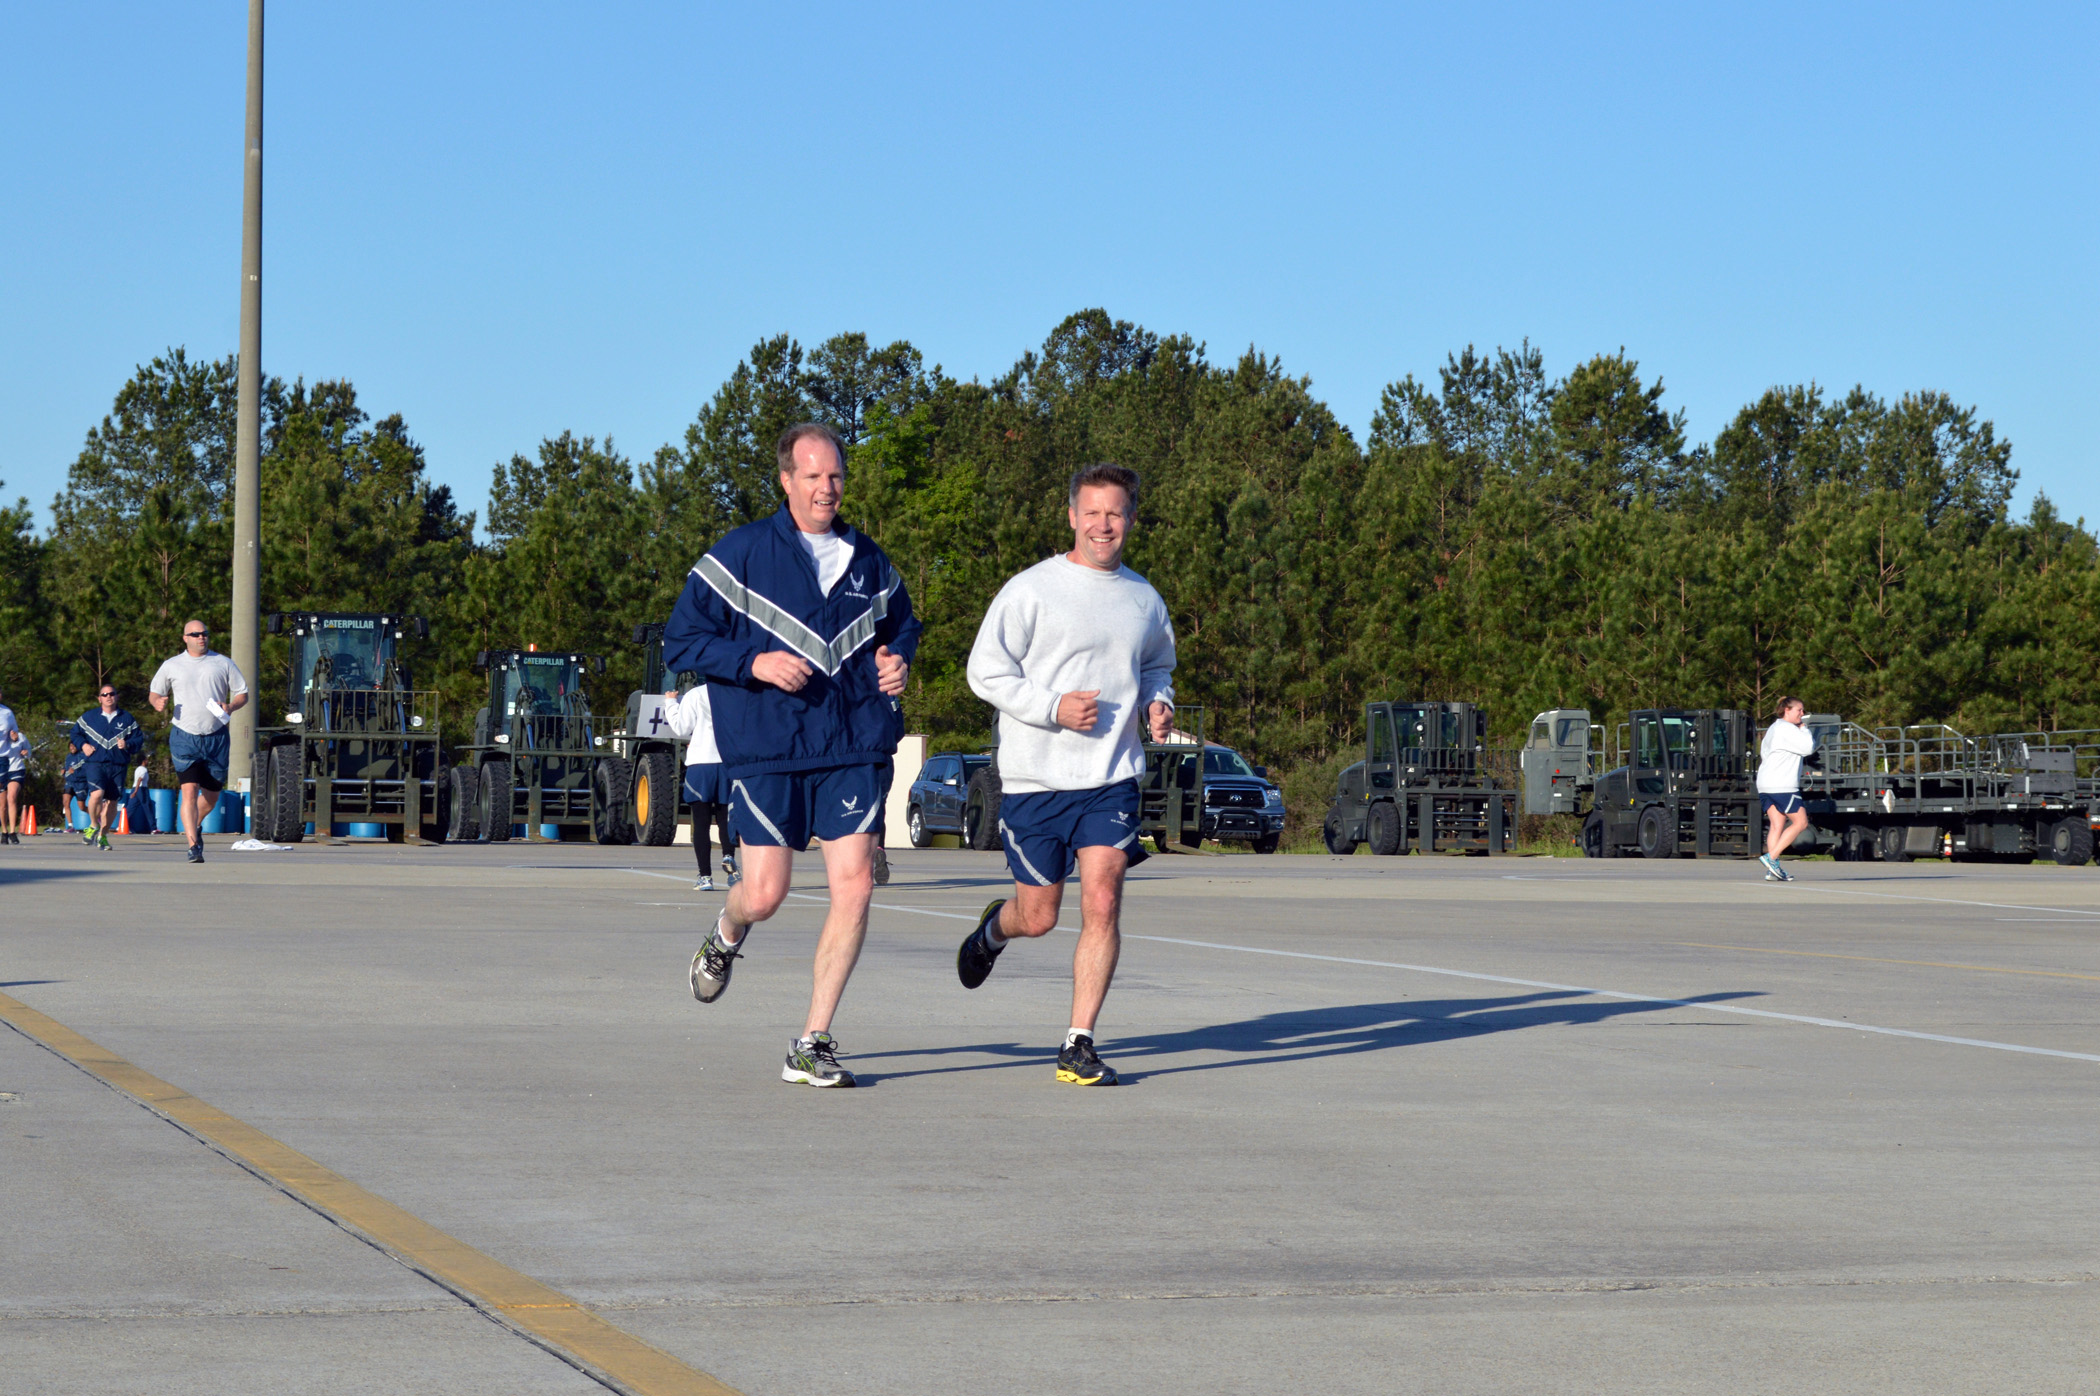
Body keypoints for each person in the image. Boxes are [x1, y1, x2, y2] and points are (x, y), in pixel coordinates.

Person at [666, 421, 920, 1088]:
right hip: (769, 749)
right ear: (786, 481)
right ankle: (725, 935)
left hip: (851, 745)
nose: (826, 488)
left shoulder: (870, 560)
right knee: (766, 893)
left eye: (834, 475)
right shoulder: (740, 555)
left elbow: (901, 626)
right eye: (812, 476)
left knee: (856, 885)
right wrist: (754, 661)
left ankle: (812, 1040)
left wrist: (897, 662)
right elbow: (682, 642)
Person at [956, 462, 1177, 1087]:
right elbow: (985, 673)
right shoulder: (1031, 589)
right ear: (1072, 516)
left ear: (1130, 519)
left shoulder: (1143, 598)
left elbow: (1159, 663)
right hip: (1035, 780)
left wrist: (1157, 700)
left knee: (1103, 899)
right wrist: (1053, 708)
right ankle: (994, 932)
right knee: (1042, 915)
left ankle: (1077, 1043)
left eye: (1116, 513)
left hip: (1111, 777)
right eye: (1093, 512)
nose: (1104, 525)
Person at [148, 619, 249, 864]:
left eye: (204, 633)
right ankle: (193, 845)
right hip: (184, 736)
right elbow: (154, 692)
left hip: (216, 736)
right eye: (195, 634)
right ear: (185, 638)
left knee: (213, 795)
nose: (201, 637)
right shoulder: (172, 665)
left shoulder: (223, 662)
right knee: (189, 791)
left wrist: (231, 705)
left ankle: (196, 824)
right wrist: (157, 702)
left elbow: (242, 693)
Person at [660, 680, 737, 891]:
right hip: (727, 763)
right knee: (726, 819)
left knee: (701, 824)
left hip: (700, 764)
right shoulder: (734, 692)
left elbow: (680, 727)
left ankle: (705, 877)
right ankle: (730, 861)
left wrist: (671, 703)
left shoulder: (695, 694)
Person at [74, 683, 143, 850]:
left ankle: (103, 836)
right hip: (95, 763)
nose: (108, 696)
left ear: (117, 696)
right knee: (97, 794)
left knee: (112, 801)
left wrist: (127, 744)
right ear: (99, 699)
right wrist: (83, 745)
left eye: (111, 693)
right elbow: (75, 733)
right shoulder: (90, 717)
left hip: (118, 764)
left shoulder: (126, 718)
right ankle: (93, 824)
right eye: (104, 694)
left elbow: (139, 740)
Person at [1757, 696, 1816, 882]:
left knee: (1777, 824)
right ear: (1786, 710)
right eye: (1799, 710)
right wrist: (1804, 729)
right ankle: (1771, 857)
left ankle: (1772, 870)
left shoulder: (1773, 728)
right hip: (1782, 784)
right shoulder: (1788, 729)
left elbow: (1764, 753)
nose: (1802, 713)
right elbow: (1808, 748)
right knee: (1801, 823)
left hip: (1765, 783)